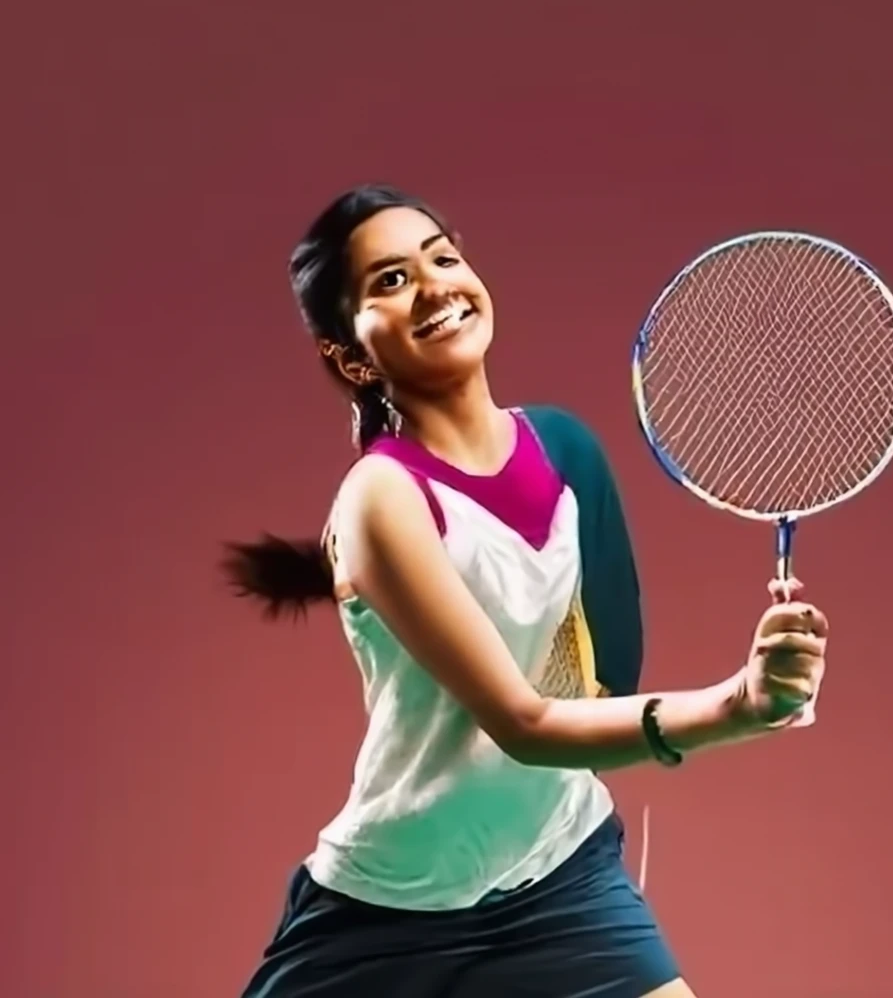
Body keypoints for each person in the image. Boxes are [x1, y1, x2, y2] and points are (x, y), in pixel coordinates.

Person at [223, 184, 828, 998]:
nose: (436, 284)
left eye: (443, 256)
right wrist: (738, 706)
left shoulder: (567, 451)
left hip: (558, 879)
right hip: (392, 908)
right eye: (392, 280)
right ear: (352, 355)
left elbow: (601, 687)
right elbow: (526, 724)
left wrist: (775, 685)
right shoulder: (382, 499)